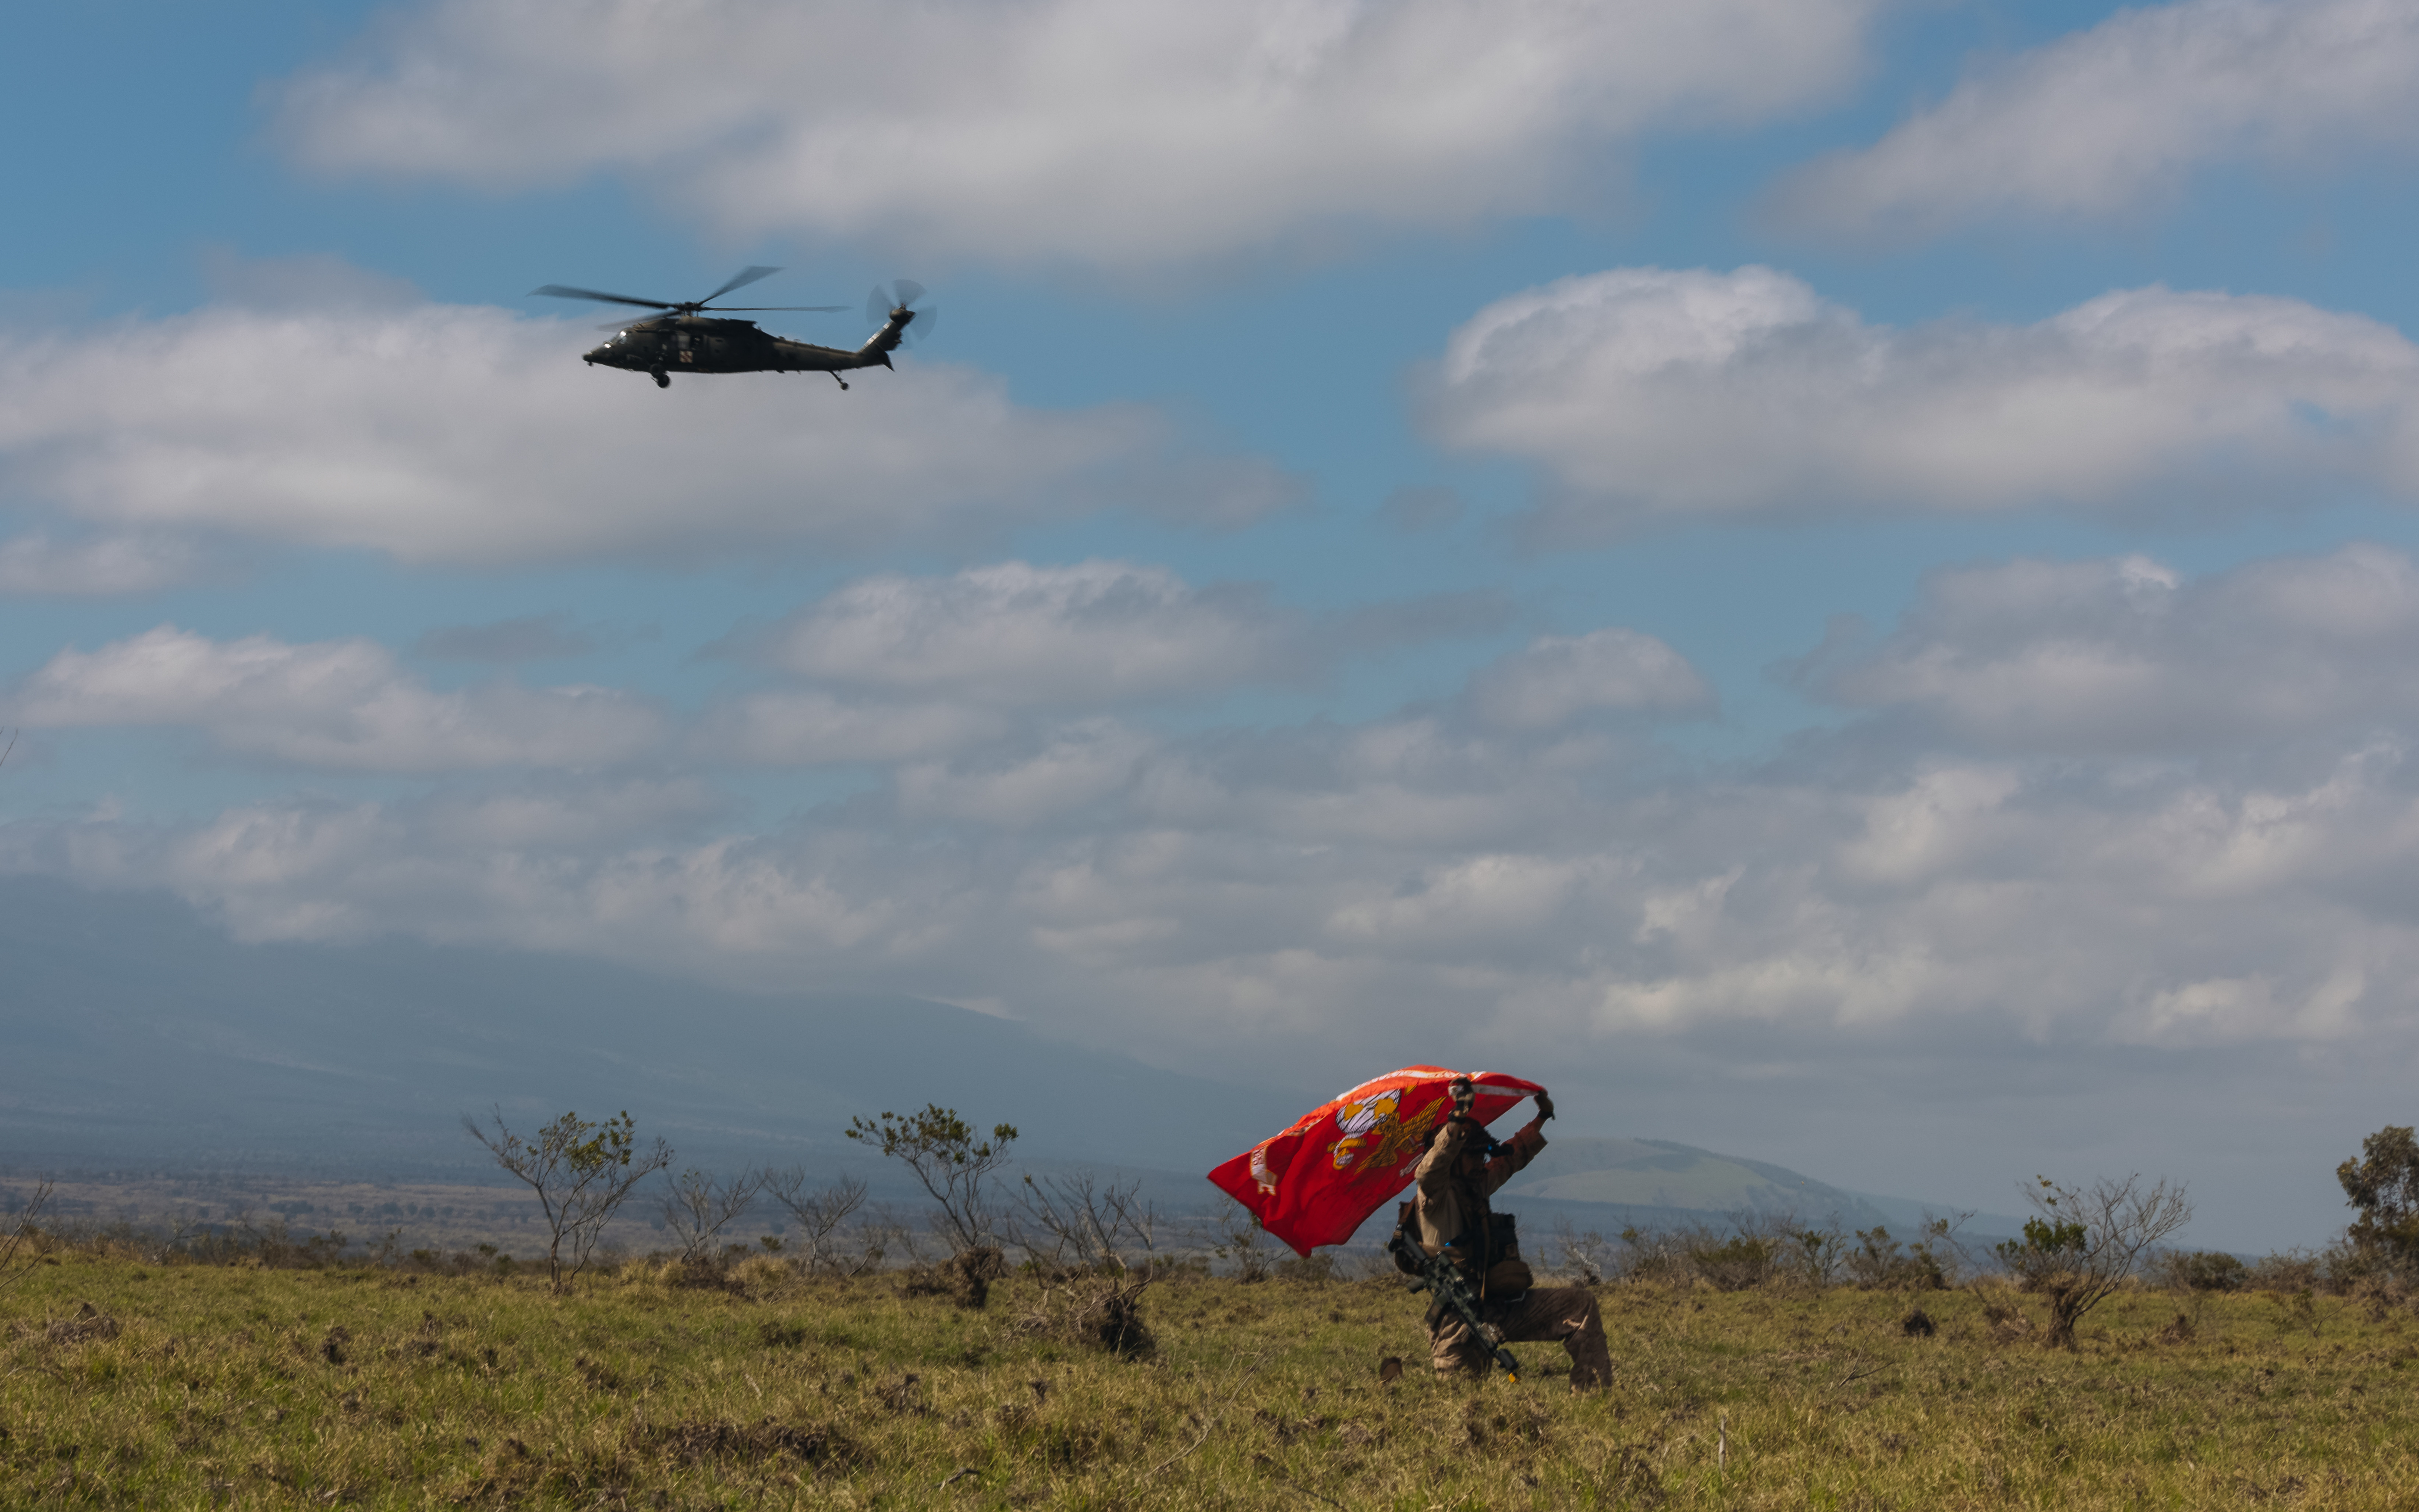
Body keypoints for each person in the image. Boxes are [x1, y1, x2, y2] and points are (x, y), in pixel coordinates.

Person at [1407, 1077, 1611, 1389]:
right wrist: (1457, 1119)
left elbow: (1511, 1158)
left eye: (1482, 1154)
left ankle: (1595, 1398)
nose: (1482, 1162)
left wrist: (1541, 1117)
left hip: (1500, 1306)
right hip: (1459, 1322)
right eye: (1473, 1155)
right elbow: (1430, 1168)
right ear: (1455, 1157)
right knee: (1463, 1407)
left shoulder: (1476, 1186)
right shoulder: (1434, 1194)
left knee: (1581, 1305)